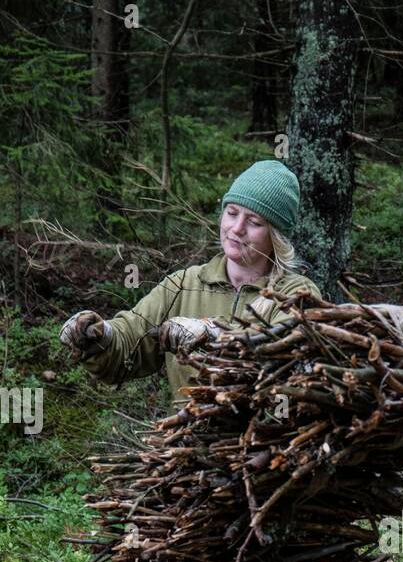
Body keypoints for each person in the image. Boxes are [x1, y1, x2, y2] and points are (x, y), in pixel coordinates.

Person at [59, 160, 322, 401]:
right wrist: (99, 335)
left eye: (253, 221)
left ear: (275, 235)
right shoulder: (183, 285)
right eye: (231, 213)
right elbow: (131, 341)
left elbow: (286, 358)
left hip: (261, 444)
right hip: (187, 445)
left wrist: (213, 334)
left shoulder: (295, 292)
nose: (237, 228)